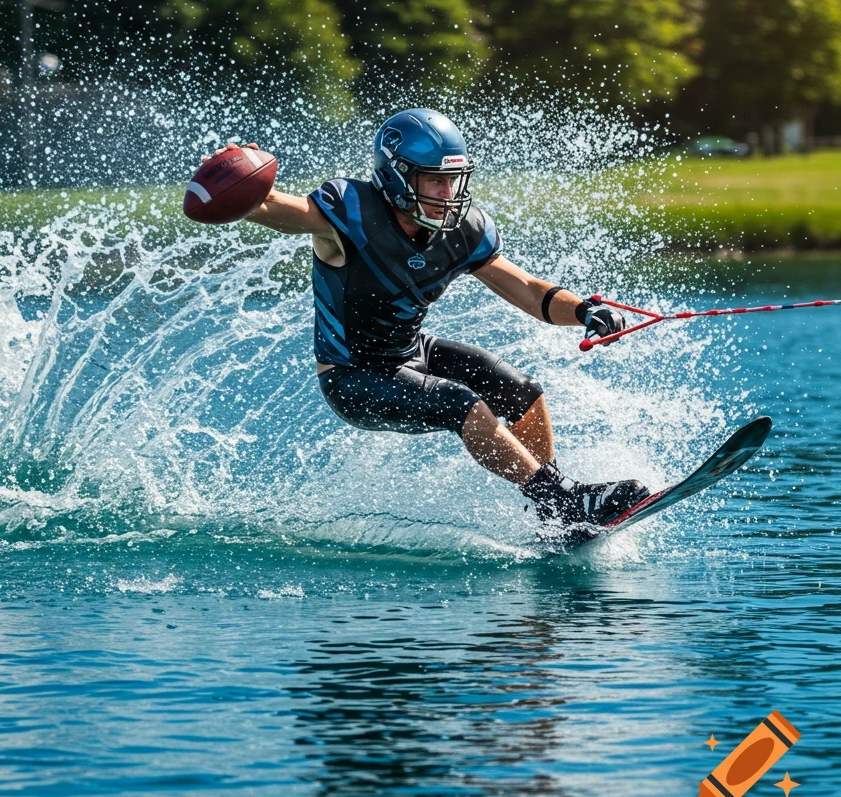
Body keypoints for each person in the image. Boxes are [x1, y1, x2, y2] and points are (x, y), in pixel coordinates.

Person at [204, 108, 649, 528]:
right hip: (353, 378)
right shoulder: (347, 214)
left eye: (453, 181)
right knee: (462, 403)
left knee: (522, 392)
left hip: (412, 354)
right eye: (434, 181)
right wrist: (225, 178)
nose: (447, 194)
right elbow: (272, 209)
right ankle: (565, 500)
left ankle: (555, 512)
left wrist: (586, 311)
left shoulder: (465, 229)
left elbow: (528, 289)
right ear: (396, 176)